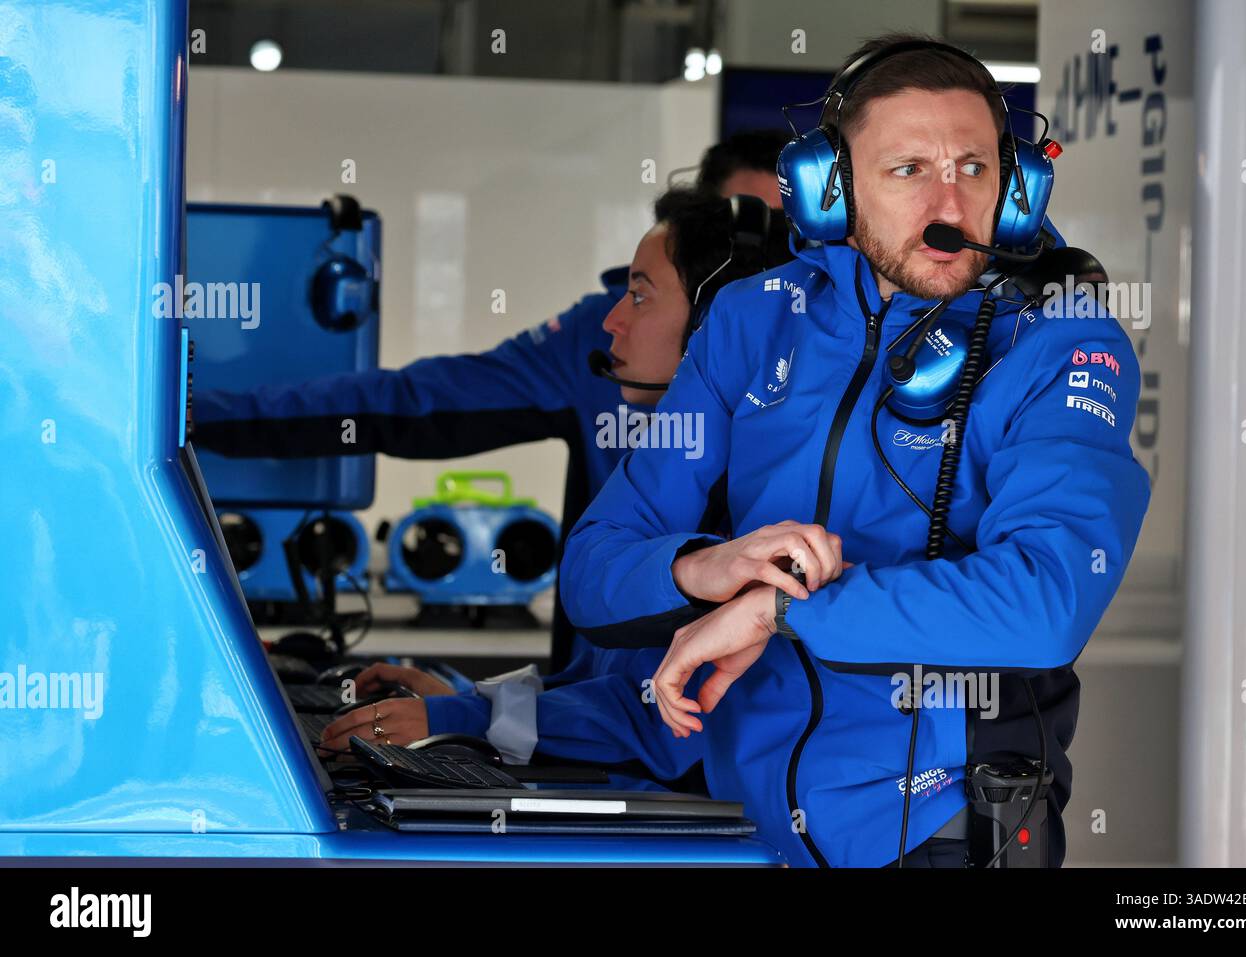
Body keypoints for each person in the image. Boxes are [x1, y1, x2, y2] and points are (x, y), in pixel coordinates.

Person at [558, 33, 1151, 866]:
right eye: (908, 169)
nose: (948, 202)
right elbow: (592, 567)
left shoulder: (1061, 342)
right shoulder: (750, 319)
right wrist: (707, 568)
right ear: (828, 188)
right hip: (748, 830)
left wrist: (785, 608)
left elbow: (1047, 601)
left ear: (1015, 187)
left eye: (974, 169)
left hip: (944, 832)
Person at [315, 187, 791, 772]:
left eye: (639, 296)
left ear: (714, 320)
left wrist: (465, 720)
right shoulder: (691, 462)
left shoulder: (770, 496)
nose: (612, 321)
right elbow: (609, 685)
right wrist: (469, 702)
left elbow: (669, 728)